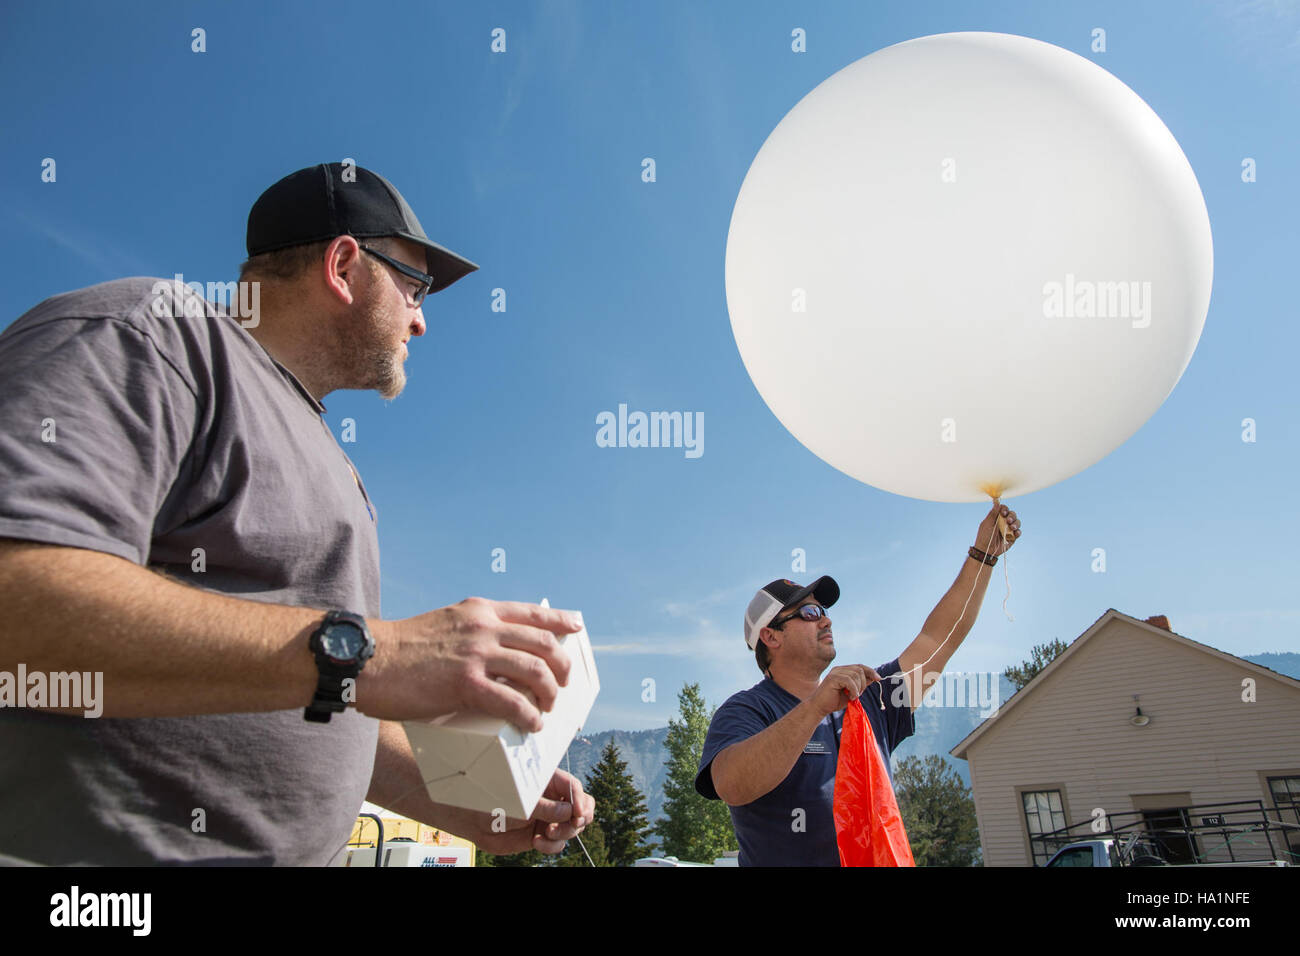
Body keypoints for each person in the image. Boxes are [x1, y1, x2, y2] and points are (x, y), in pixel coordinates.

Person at [0, 162, 593, 865]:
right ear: (344, 265)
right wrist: (377, 651)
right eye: (415, 285)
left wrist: (468, 804)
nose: (422, 319)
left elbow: (321, 694)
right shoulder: (149, 337)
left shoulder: (334, 460)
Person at [694, 502, 1021, 866]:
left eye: (826, 611)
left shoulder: (867, 699)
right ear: (770, 636)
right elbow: (732, 784)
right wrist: (816, 706)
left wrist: (983, 556)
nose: (826, 621)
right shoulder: (747, 710)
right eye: (810, 613)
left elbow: (936, 639)